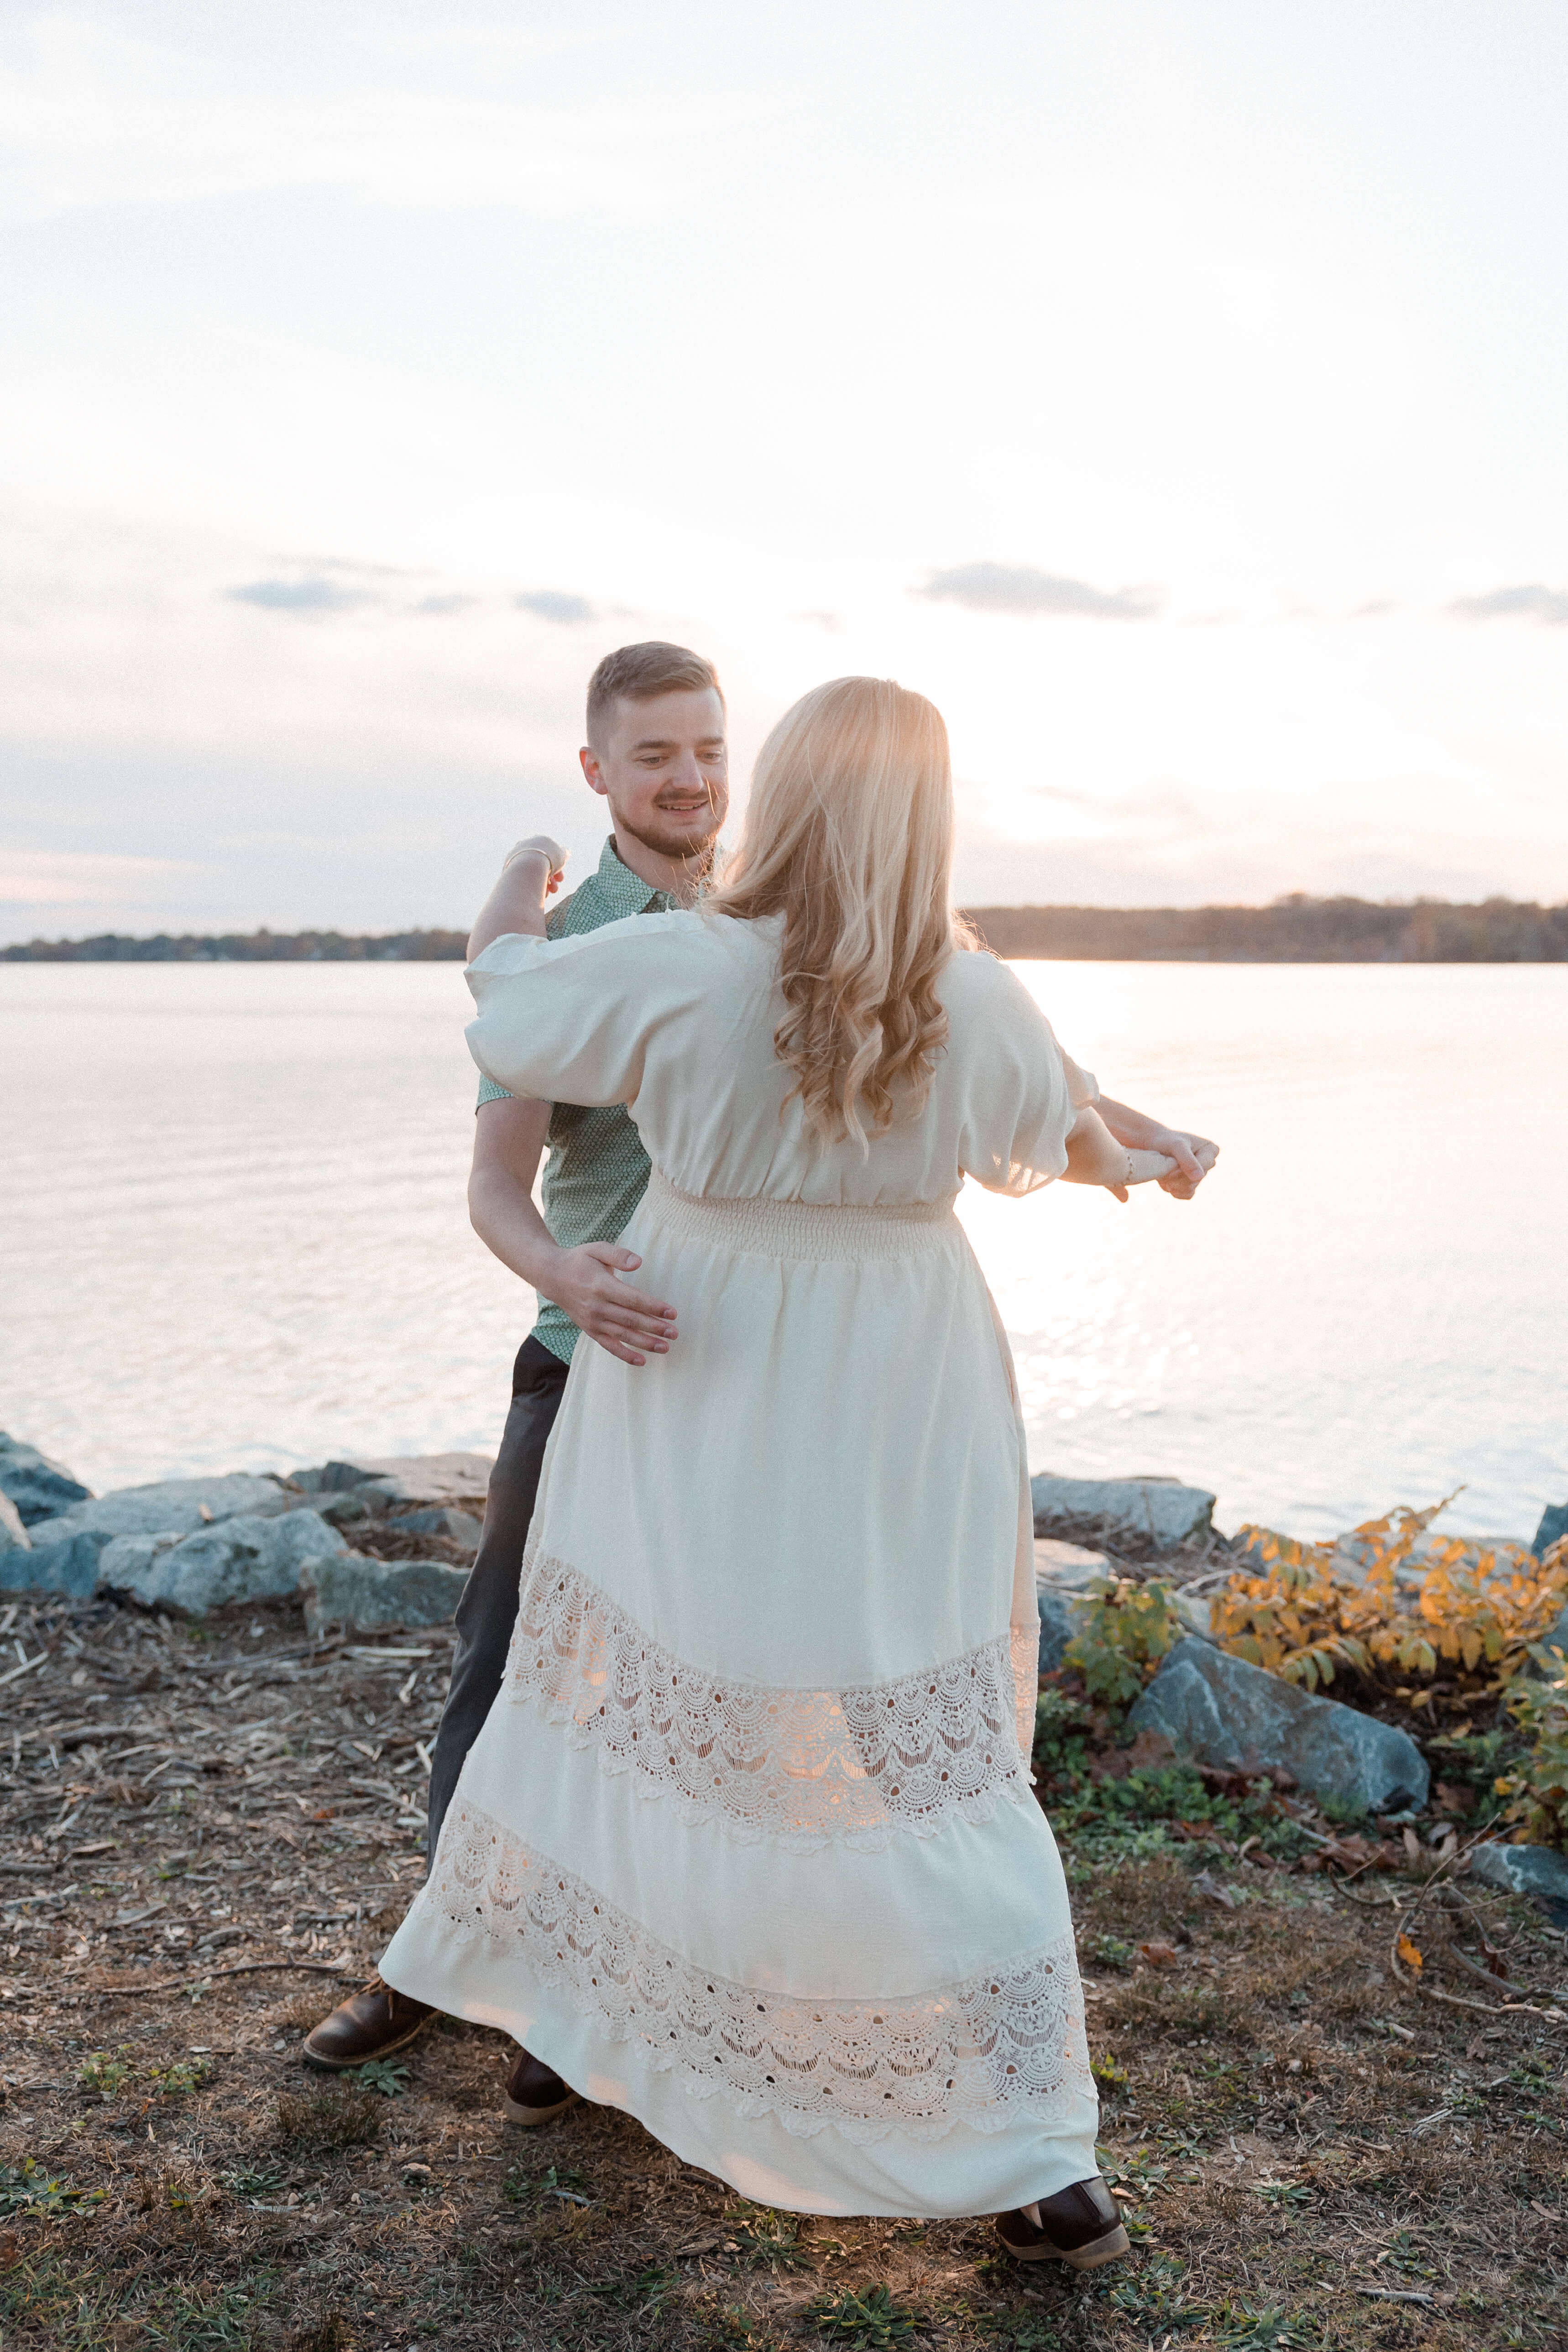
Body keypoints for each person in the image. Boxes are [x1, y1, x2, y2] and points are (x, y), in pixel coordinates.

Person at [376, 675, 1217, 2259]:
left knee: (640, 1693)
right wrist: (1154, 1158)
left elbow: (502, 991)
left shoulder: (686, 965)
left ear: (787, 795)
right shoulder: (972, 993)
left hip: (705, 1365)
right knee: (923, 1745)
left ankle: (597, 2025)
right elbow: (1076, 1141)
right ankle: (1044, 2157)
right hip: (907, 1377)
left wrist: (520, 869)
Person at [301, 642, 731, 2098]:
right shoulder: (558, 946)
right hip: (580, 1362)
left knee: (701, 1686)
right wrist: (560, 1273)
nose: (689, 779)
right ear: (597, 769)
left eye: (711, 750)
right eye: (657, 753)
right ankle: (439, 1963)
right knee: (503, 1668)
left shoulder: (775, 917)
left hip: (747, 1373)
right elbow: (495, 1186)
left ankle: (599, 1996)